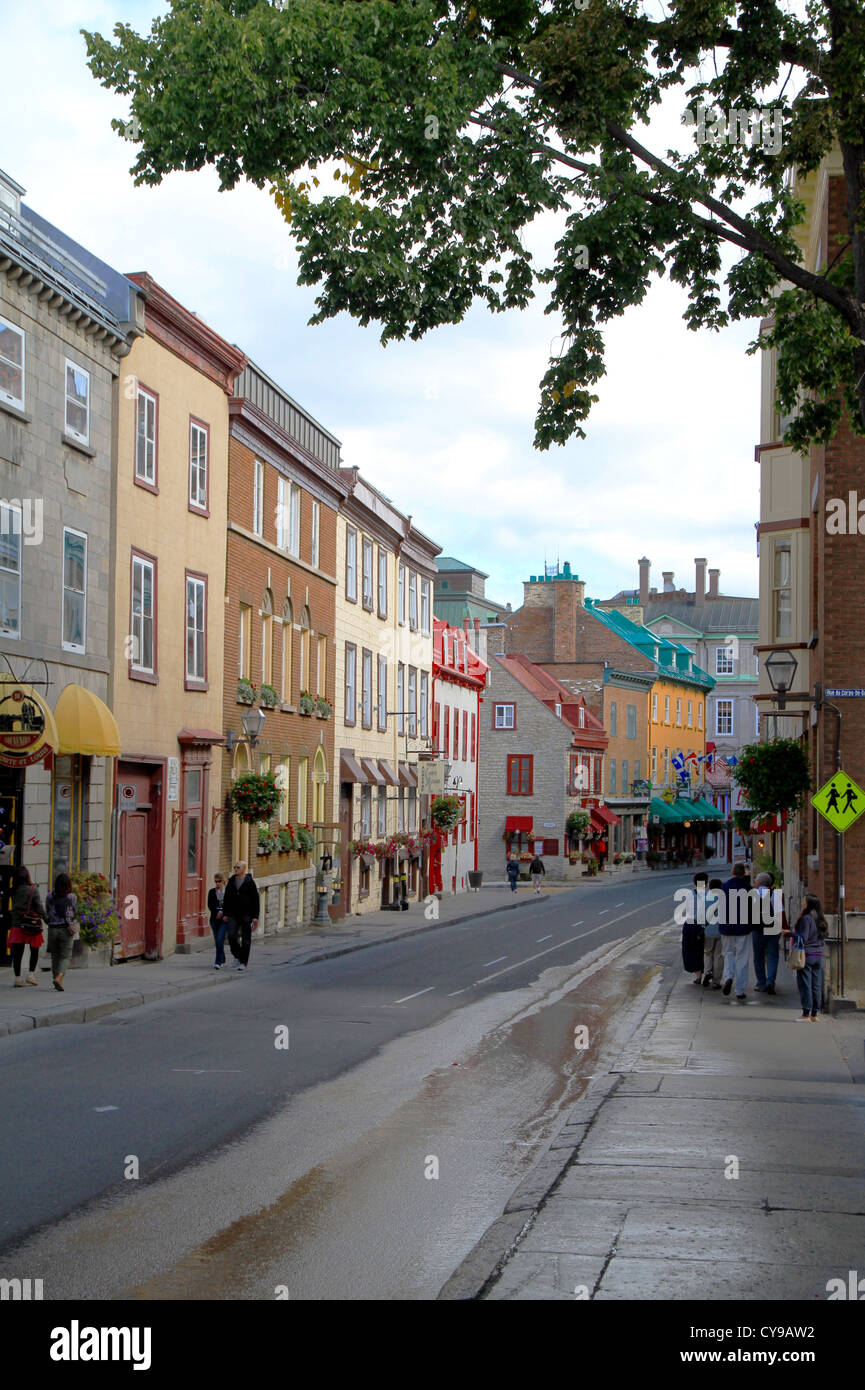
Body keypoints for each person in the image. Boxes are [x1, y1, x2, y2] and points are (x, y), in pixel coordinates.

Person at [788, 894, 828, 1021]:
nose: (802, 903)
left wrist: (790, 933)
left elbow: (803, 938)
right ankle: (814, 1014)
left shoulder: (806, 918)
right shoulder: (820, 918)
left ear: (809, 904)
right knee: (816, 985)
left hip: (807, 955)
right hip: (818, 955)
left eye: (804, 901)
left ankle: (806, 1013)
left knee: (805, 984)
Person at [8, 865, 48, 987]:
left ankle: (18, 978)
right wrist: (47, 919)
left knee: (17, 953)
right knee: (34, 950)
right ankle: (31, 974)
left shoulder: (13, 890)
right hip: (31, 924)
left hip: (17, 924)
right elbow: (39, 907)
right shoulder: (32, 890)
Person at [720, 863, 753, 1001]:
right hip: (743, 927)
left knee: (728, 954)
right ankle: (739, 990)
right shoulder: (747, 888)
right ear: (743, 873)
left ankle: (728, 976)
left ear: (732, 872)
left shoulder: (724, 887)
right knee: (742, 957)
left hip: (727, 927)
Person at [223, 860, 260, 972]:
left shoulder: (249, 882)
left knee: (246, 940)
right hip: (233, 914)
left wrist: (255, 917)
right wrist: (225, 913)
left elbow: (255, 900)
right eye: (235, 867)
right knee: (231, 936)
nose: (235, 869)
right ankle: (237, 955)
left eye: (238, 867)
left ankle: (243, 962)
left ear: (244, 869)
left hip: (246, 915)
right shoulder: (232, 881)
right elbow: (226, 898)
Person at [45, 871, 77, 992]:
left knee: (55, 956)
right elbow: (75, 911)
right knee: (65, 956)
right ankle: (59, 977)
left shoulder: (50, 897)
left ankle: (56, 980)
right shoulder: (72, 897)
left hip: (52, 929)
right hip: (66, 929)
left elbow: (48, 911)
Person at [752, 871, 782, 995]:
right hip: (773, 929)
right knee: (772, 956)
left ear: (759, 882)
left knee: (758, 957)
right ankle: (771, 981)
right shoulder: (775, 894)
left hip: (758, 930)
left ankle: (761, 983)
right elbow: (780, 913)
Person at [681, 870, 708, 983]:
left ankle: (698, 975)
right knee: (702, 950)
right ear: (706, 882)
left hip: (689, 925)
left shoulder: (689, 894)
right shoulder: (709, 894)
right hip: (702, 925)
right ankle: (707, 971)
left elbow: (686, 910)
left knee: (690, 950)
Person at [701, 877, 725, 988]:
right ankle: (716, 981)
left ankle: (707, 972)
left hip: (709, 930)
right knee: (719, 955)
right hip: (721, 930)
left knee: (708, 954)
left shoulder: (705, 898)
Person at [207, 871, 228, 969]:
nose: (217, 883)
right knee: (217, 941)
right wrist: (217, 912)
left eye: (219, 881)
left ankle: (218, 962)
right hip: (214, 919)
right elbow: (210, 905)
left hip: (224, 920)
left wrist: (223, 912)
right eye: (216, 882)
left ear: (223, 881)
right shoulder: (212, 892)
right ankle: (222, 957)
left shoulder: (228, 892)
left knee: (220, 939)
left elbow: (231, 905)